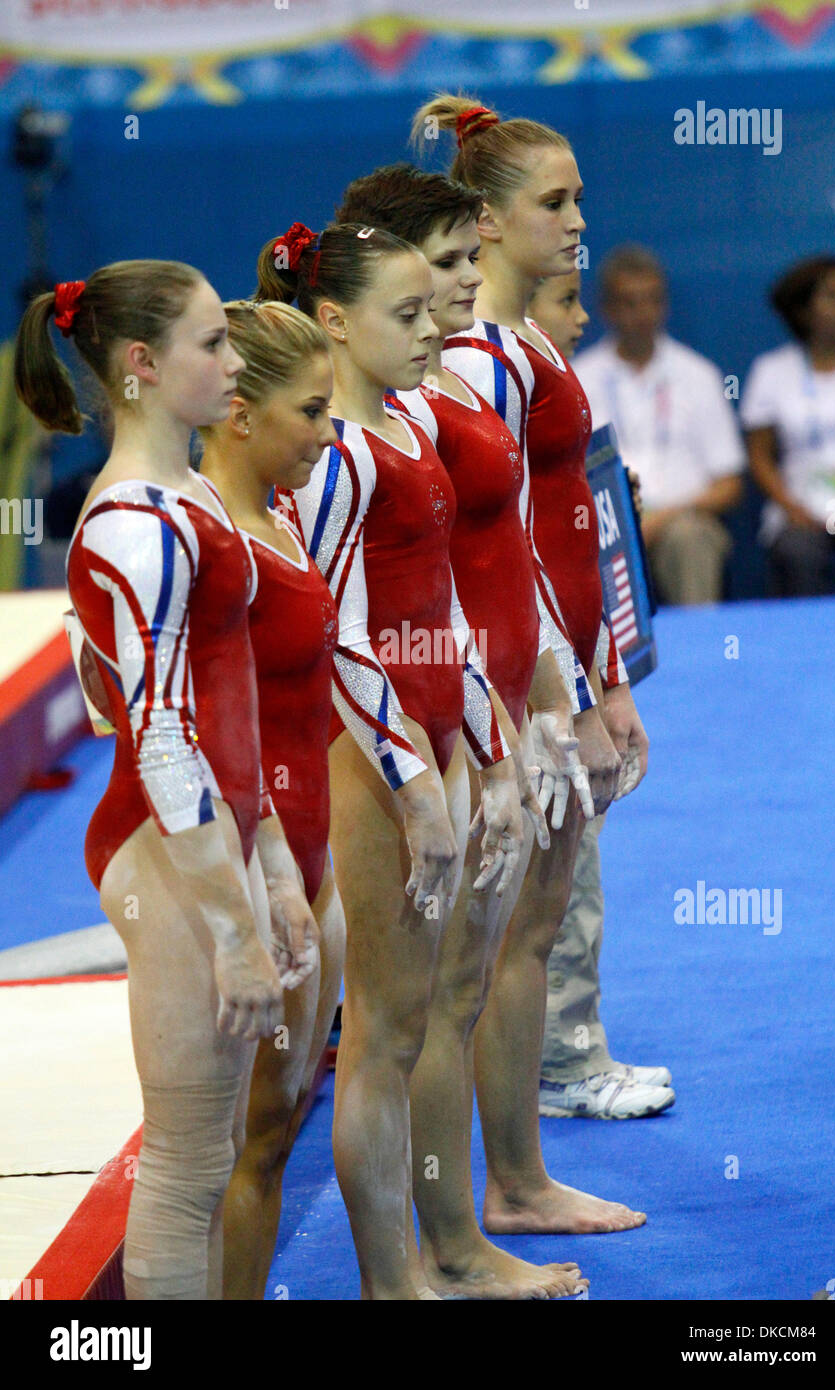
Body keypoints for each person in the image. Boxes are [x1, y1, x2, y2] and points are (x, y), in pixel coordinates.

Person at [256, 221, 560, 1298]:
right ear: (333, 321)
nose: (434, 325)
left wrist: (492, 748)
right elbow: (337, 635)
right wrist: (414, 783)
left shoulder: (406, 428)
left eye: (431, 308)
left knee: (440, 1006)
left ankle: (451, 1244)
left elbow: (441, 615)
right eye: (406, 312)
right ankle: (395, 1279)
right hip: (372, 756)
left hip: (435, 736)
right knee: (382, 1035)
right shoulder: (333, 453)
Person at [15, 261, 317, 1299]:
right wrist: (231, 927)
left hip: (214, 839)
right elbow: (160, 739)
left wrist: (271, 862)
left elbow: (239, 710)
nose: (235, 364)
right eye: (212, 344)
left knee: (215, 1144)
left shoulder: (188, 494)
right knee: (187, 1168)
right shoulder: (132, 525)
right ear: (142, 365)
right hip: (166, 848)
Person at [336, 163, 600, 1292]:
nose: (461, 283)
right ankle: (441, 1247)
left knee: (460, 987)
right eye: (438, 267)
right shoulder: (381, 418)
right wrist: (433, 751)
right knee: (405, 1019)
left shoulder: (434, 394)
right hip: (401, 738)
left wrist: (533, 696)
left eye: (459, 262)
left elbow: (494, 561)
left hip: (469, 711)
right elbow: (351, 615)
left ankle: (468, 1223)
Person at [412, 93, 652, 1228]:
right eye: (551, 203)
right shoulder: (475, 359)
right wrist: (555, 700)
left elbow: (572, 523)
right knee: (500, 945)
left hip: (543, 667)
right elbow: (490, 550)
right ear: (489, 219)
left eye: (577, 199)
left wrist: (609, 678)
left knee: (527, 935)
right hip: (508, 683)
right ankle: (502, 1186)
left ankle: (513, 1178)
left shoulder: (517, 343)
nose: (573, 222)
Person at [198, 299, 347, 1300]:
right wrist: (262, 878)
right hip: (251, 864)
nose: (330, 434)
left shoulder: (284, 513)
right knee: (238, 1133)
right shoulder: (209, 541)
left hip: (308, 853)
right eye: (311, 411)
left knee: (278, 1116)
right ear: (240, 413)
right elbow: (196, 736)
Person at [529, 266, 675, 1117]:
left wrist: (608, 677)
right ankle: (561, 1063)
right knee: (556, 880)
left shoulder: (553, 401)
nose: (584, 318)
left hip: (560, 664)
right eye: (567, 301)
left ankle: (568, 1050)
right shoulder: (498, 387)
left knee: (565, 876)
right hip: (525, 680)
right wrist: (573, 697)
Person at [573, 244, 743, 606]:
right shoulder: (577, 379)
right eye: (629, 303)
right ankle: (598, 661)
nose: (643, 314)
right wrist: (621, 523)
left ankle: (703, 650)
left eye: (652, 300)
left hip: (682, 520)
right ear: (606, 309)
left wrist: (662, 519)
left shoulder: (698, 375)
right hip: (605, 523)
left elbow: (729, 484)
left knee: (690, 538)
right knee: (582, 538)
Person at [741, 254, 835, 595]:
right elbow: (760, 457)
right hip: (800, 509)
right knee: (798, 553)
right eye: (833, 296)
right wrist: (791, 507)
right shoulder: (771, 371)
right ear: (802, 311)